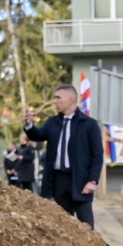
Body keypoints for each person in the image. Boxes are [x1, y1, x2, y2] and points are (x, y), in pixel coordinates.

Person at [24, 83, 104, 227]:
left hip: (81, 180)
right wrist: (29, 124)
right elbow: (37, 135)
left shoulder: (89, 124)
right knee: (63, 226)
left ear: (71, 100)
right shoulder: (52, 122)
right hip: (58, 180)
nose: (55, 101)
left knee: (86, 227)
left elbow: (97, 155)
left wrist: (92, 180)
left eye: (58, 97)